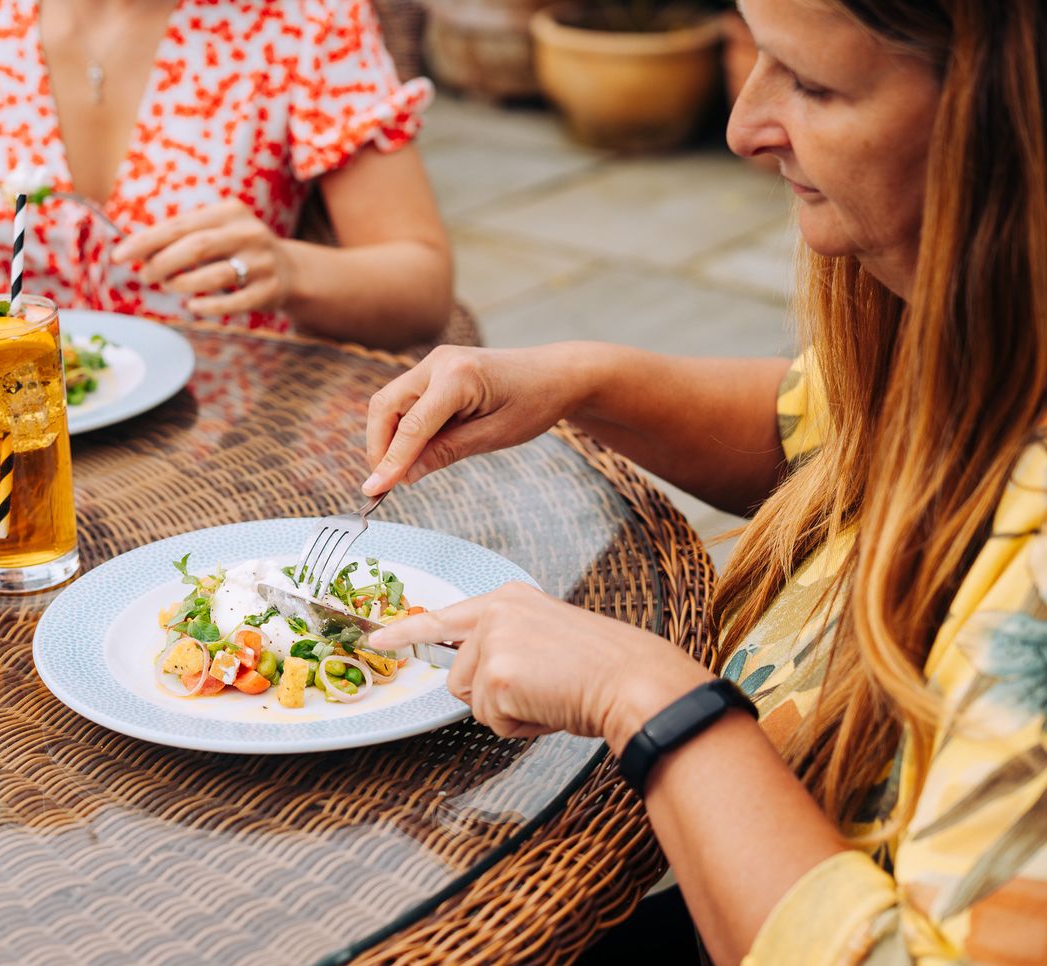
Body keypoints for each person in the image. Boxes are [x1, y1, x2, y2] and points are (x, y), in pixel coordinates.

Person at [361, 0, 1047, 961]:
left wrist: (643, 693)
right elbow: (821, 430)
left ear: (1006, 122)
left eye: (811, 83)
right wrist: (580, 379)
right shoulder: (974, 332)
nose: (743, 128)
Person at [0, 0, 451, 349]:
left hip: (242, 442)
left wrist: (291, 270)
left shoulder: (303, 19)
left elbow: (421, 286)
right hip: (19, 438)